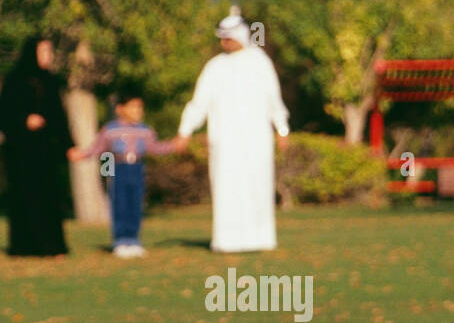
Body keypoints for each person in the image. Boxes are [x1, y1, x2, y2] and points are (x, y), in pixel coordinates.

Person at [173, 15, 289, 252]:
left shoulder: (260, 62)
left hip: (257, 140)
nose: (225, 42)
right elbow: (199, 103)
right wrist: (185, 130)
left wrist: (282, 128)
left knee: (258, 186)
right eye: (222, 38)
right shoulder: (215, 66)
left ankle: (260, 239)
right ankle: (227, 241)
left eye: (229, 37)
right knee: (227, 188)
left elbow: (273, 98)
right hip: (225, 141)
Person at [67, 91, 179, 257]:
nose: (137, 111)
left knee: (135, 203)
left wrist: (174, 145)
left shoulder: (145, 130)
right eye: (133, 107)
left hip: (137, 167)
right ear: (120, 109)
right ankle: (120, 241)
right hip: (117, 167)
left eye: (140, 107)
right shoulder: (110, 129)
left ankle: (133, 240)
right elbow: (100, 149)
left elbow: (155, 148)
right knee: (119, 203)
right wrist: (82, 155)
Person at [0, 36, 74, 257]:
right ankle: (24, 246)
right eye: (45, 51)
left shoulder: (51, 81)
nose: (50, 56)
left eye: (50, 51)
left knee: (49, 199)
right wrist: (23, 121)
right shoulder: (14, 81)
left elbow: (59, 117)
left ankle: (52, 246)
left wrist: (68, 145)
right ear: (32, 53)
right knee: (24, 198)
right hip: (20, 154)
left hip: (46, 152)